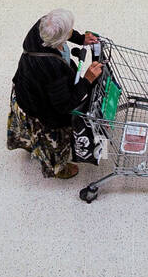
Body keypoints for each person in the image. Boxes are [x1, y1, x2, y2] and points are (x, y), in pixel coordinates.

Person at [8, 9, 102, 179]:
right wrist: (87, 80)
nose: (71, 32)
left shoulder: (42, 26)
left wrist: (80, 39)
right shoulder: (49, 67)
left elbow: (62, 30)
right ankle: (59, 167)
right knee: (55, 138)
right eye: (69, 32)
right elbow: (64, 105)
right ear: (59, 39)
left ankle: (31, 144)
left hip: (25, 87)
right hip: (41, 106)